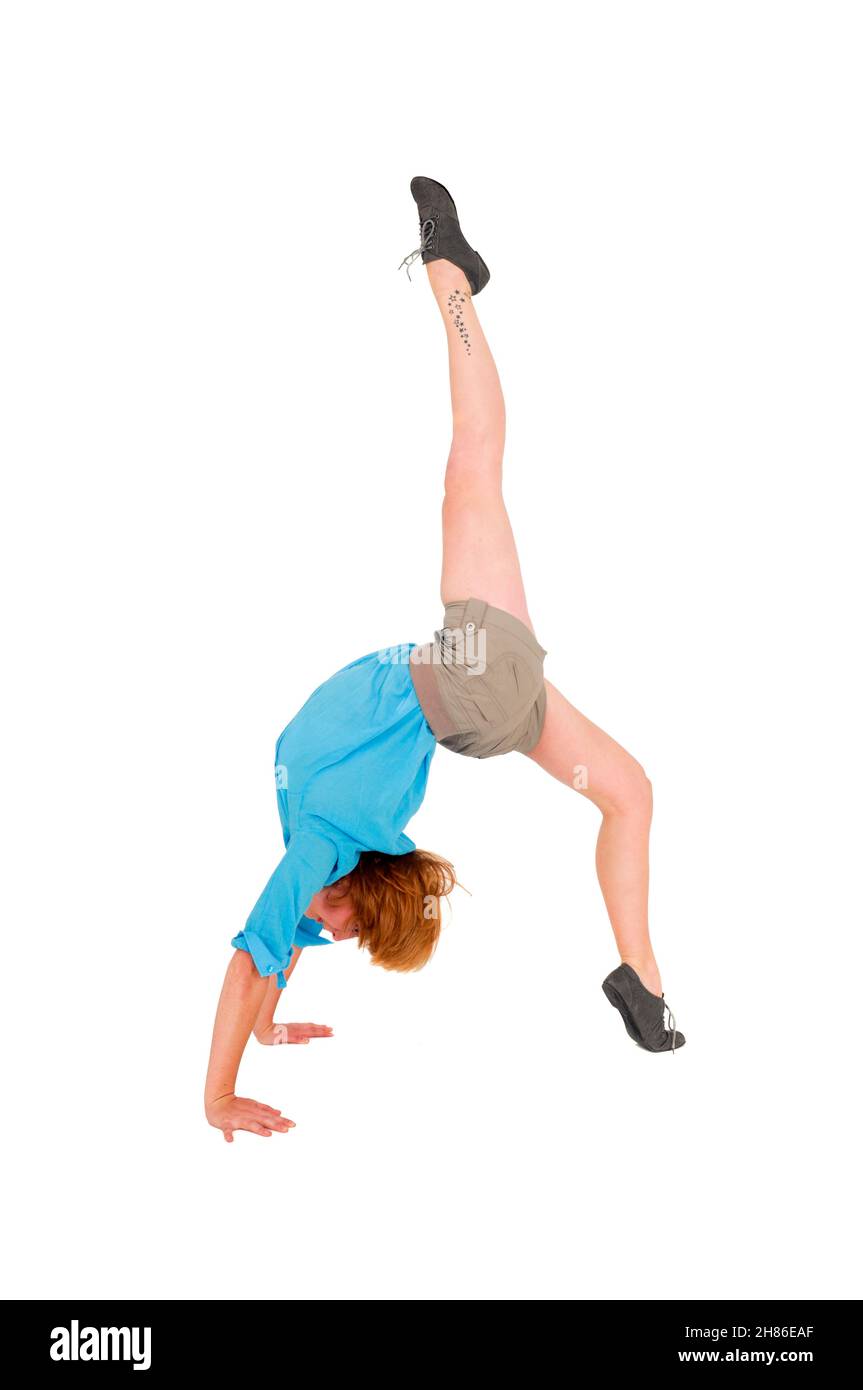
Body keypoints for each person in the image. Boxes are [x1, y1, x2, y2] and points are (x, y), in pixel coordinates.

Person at [204, 177, 685, 1142]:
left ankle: (643, 980)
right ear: (355, 887)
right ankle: (449, 276)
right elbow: (261, 952)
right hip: (468, 675)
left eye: (334, 930)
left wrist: (263, 1035)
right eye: (345, 928)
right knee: (475, 453)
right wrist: (226, 1075)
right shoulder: (327, 842)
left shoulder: (326, 846)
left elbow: (272, 951)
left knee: (626, 791)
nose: (325, 931)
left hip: (488, 716)